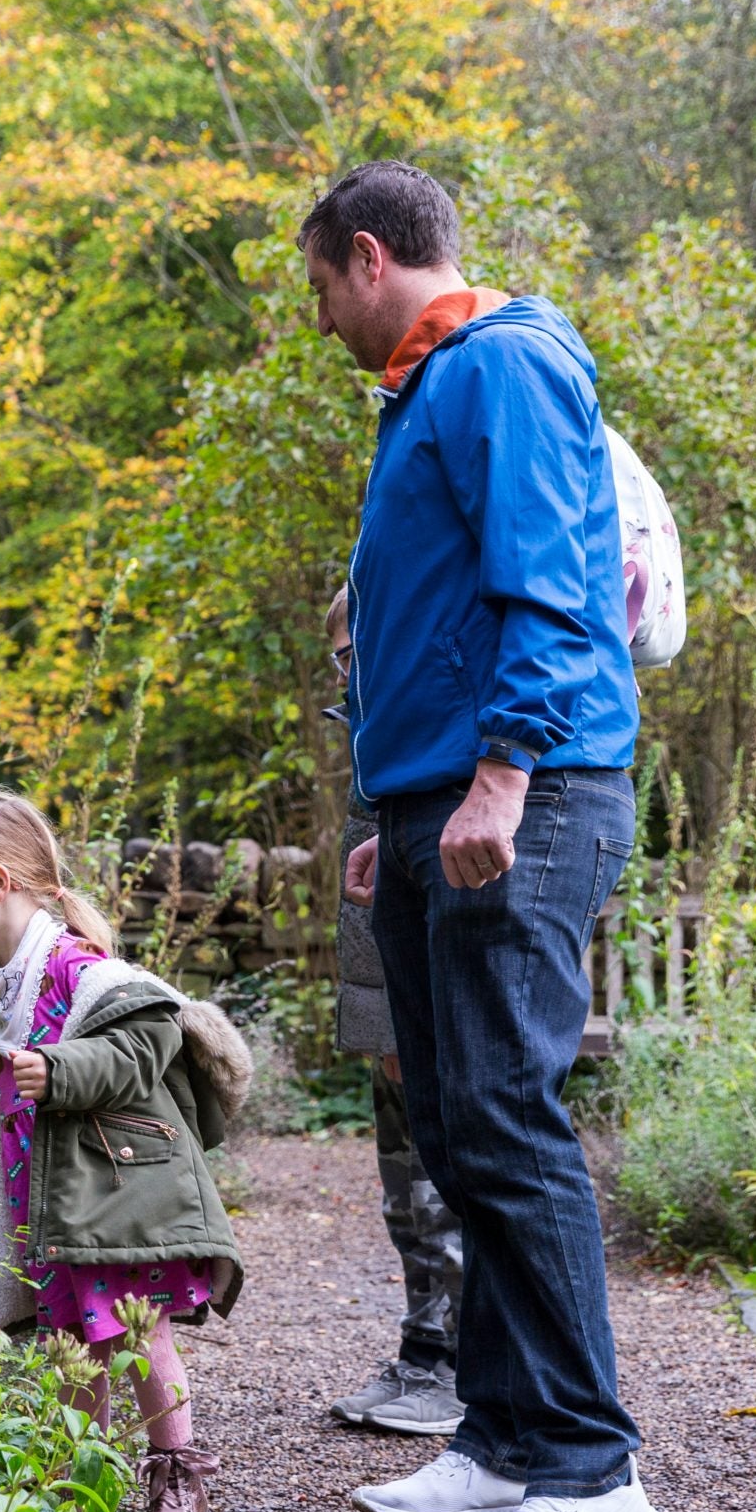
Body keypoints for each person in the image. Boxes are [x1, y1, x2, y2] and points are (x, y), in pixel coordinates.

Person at [303, 160, 667, 1512]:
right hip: (434, 802)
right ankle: (505, 1438)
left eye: (321, 287)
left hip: (530, 794)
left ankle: (593, 1471)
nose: (321, 318)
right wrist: (395, 807)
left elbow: (552, 584)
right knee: (457, 1128)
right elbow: (428, 617)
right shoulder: (425, 391)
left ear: (370, 256)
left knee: (508, 1118)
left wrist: (503, 774)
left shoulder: (504, 366)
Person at [0, 790, 251, 1512]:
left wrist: (61, 1069)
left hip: (114, 1200)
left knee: (140, 1334)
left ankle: (178, 1481)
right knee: (70, 1348)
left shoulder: (78, 968)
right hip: (50, 1209)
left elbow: (147, 1042)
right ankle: (83, 1490)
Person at [321, 586, 466, 1438]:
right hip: (384, 990)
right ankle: (423, 1351)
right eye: (339, 658)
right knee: (402, 1190)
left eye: (351, 653)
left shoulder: (423, 734)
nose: (344, 673)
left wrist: (406, 1016)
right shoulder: (373, 732)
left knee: (439, 1185)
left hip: (419, 994)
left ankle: (456, 1368)